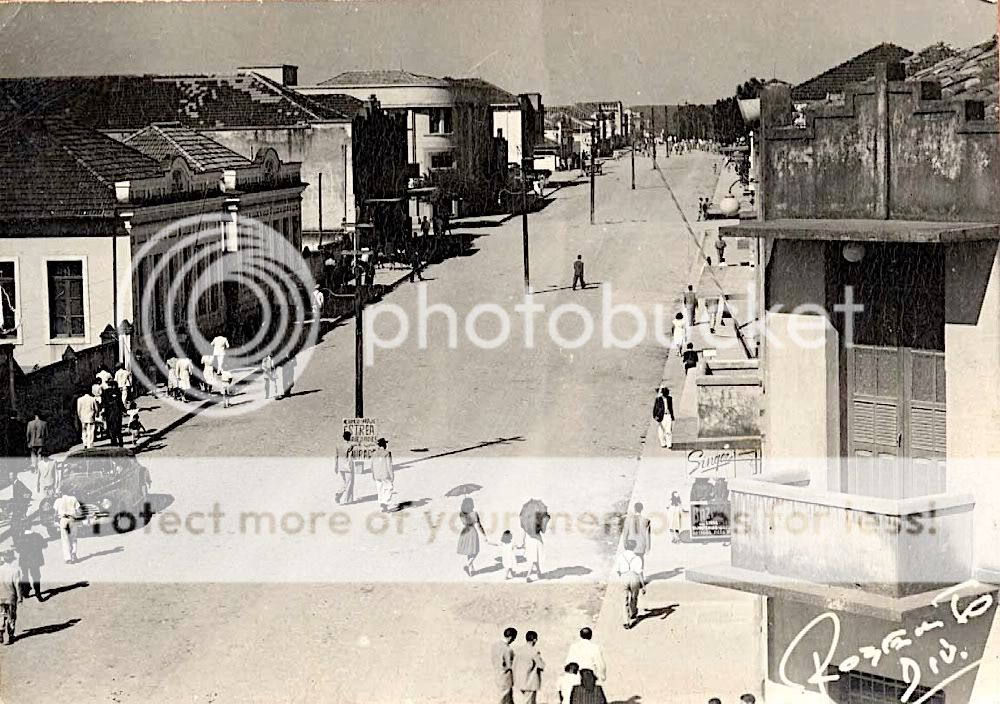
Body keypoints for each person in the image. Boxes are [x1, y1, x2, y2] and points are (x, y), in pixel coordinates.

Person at [617, 539, 646, 629]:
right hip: (634, 577)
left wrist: (622, 577)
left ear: (626, 546)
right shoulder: (637, 558)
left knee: (624, 600)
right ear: (634, 547)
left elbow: (618, 570)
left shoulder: (621, 557)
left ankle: (626, 621)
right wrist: (643, 585)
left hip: (624, 576)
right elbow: (640, 572)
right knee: (634, 597)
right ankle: (633, 612)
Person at [512, 630, 545, 704]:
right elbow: (541, 665)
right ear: (535, 640)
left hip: (519, 682)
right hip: (530, 683)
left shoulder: (518, 651)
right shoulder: (534, 652)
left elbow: (514, 665)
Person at [457, 497, 487, 577]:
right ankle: (468, 565)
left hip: (464, 531)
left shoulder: (461, 513)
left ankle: (471, 570)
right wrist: (484, 535)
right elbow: (479, 525)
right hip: (472, 532)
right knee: (475, 551)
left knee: (469, 551)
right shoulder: (474, 513)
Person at [14, 528, 45, 601]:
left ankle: (26, 591)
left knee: (25, 575)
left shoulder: (21, 537)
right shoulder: (38, 536)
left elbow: (17, 549)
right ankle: (38, 593)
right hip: (35, 560)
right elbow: (44, 545)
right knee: (36, 577)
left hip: (24, 560)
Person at [622, 503, 651, 576]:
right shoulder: (646, 521)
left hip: (631, 545)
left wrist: (624, 543)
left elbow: (625, 533)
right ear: (642, 509)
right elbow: (648, 535)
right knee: (640, 562)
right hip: (641, 545)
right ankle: (640, 580)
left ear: (634, 509)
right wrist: (648, 547)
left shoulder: (628, 520)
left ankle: (632, 580)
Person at [0, 551, 22, 645]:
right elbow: (18, 585)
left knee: (1, 615)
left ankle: (0, 632)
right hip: (11, 596)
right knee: (11, 616)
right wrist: (20, 596)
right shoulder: (15, 570)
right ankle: (10, 635)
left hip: (0, 596)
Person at [53, 493, 81, 564]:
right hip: (73, 519)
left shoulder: (58, 500)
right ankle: (74, 552)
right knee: (73, 538)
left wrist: (55, 521)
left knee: (65, 539)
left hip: (64, 520)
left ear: (62, 492)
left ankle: (68, 558)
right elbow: (79, 511)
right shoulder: (73, 498)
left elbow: (55, 513)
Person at [371, 438, 398, 512]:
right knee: (389, 488)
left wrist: (373, 474)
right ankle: (385, 503)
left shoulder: (374, 453)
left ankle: (381, 503)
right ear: (384, 444)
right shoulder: (387, 453)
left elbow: (372, 465)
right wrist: (392, 475)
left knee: (380, 490)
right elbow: (389, 465)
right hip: (385, 474)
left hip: (377, 474)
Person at [492, 626, 517, 704]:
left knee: (502, 697)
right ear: (510, 637)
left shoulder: (495, 646)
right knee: (505, 699)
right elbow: (510, 665)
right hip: (506, 677)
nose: (513, 640)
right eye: (513, 638)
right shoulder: (507, 649)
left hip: (497, 674)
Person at [335, 431, 357, 505]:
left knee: (344, 482)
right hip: (347, 466)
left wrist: (336, 466)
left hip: (340, 465)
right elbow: (350, 456)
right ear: (349, 437)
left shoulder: (338, 445)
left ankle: (341, 494)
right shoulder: (349, 446)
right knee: (349, 483)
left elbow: (336, 456)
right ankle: (344, 499)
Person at [102, 380, 126, 447]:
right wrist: (125, 410)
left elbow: (104, 404)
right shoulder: (116, 392)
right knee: (118, 430)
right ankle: (120, 445)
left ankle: (114, 444)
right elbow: (120, 403)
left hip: (110, 414)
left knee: (112, 431)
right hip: (115, 414)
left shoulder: (106, 392)